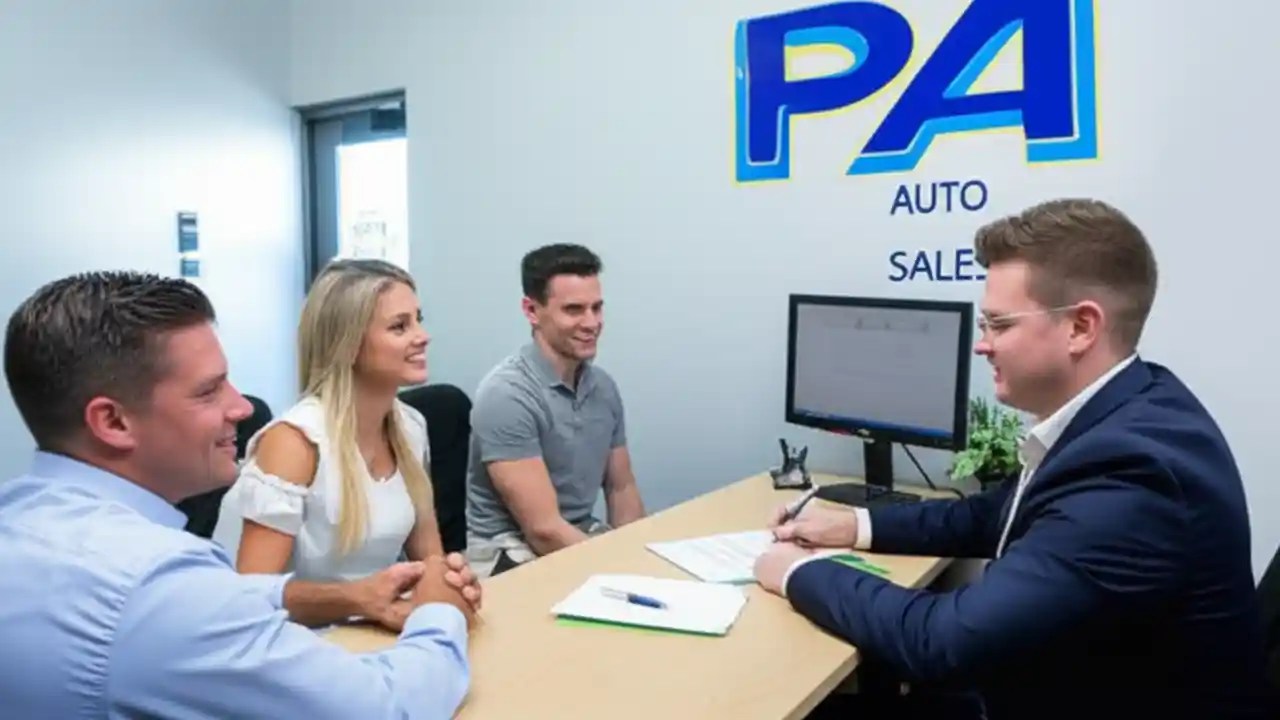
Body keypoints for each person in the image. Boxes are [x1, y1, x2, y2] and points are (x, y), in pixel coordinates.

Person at [754, 199, 1272, 719]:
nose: (983, 346)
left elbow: (942, 642)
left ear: (1080, 328)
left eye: (998, 325)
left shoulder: (1132, 477)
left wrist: (799, 572)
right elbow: (989, 515)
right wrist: (852, 527)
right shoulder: (1132, 406)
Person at [0, 271, 481, 718]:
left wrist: (354, 596)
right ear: (113, 422)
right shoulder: (158, 584)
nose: (243, 406)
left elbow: (221, 596)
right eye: (209, 392)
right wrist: (439, 613)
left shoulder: (24, 520)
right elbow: (384, 708)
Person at [232, 258, 446, 629]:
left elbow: (430, 561)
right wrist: (359, 599)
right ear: (348, 344)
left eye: (418, 320)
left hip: (373, 630)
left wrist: (450, 583)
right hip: (295, 642)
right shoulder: (295, 442)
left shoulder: (410, 426)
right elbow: (250, 595)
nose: (422, 336)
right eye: (399, 326)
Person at [465, 243, 645, 576]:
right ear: (532, 311)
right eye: (574, 310)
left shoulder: (602, 387)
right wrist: (619, 572)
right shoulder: (506, 395)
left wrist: (634, 554)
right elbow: (543, 530)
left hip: (577, 535)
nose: (592, 322)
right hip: (510, 554)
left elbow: (622, 488)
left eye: (597, 308)